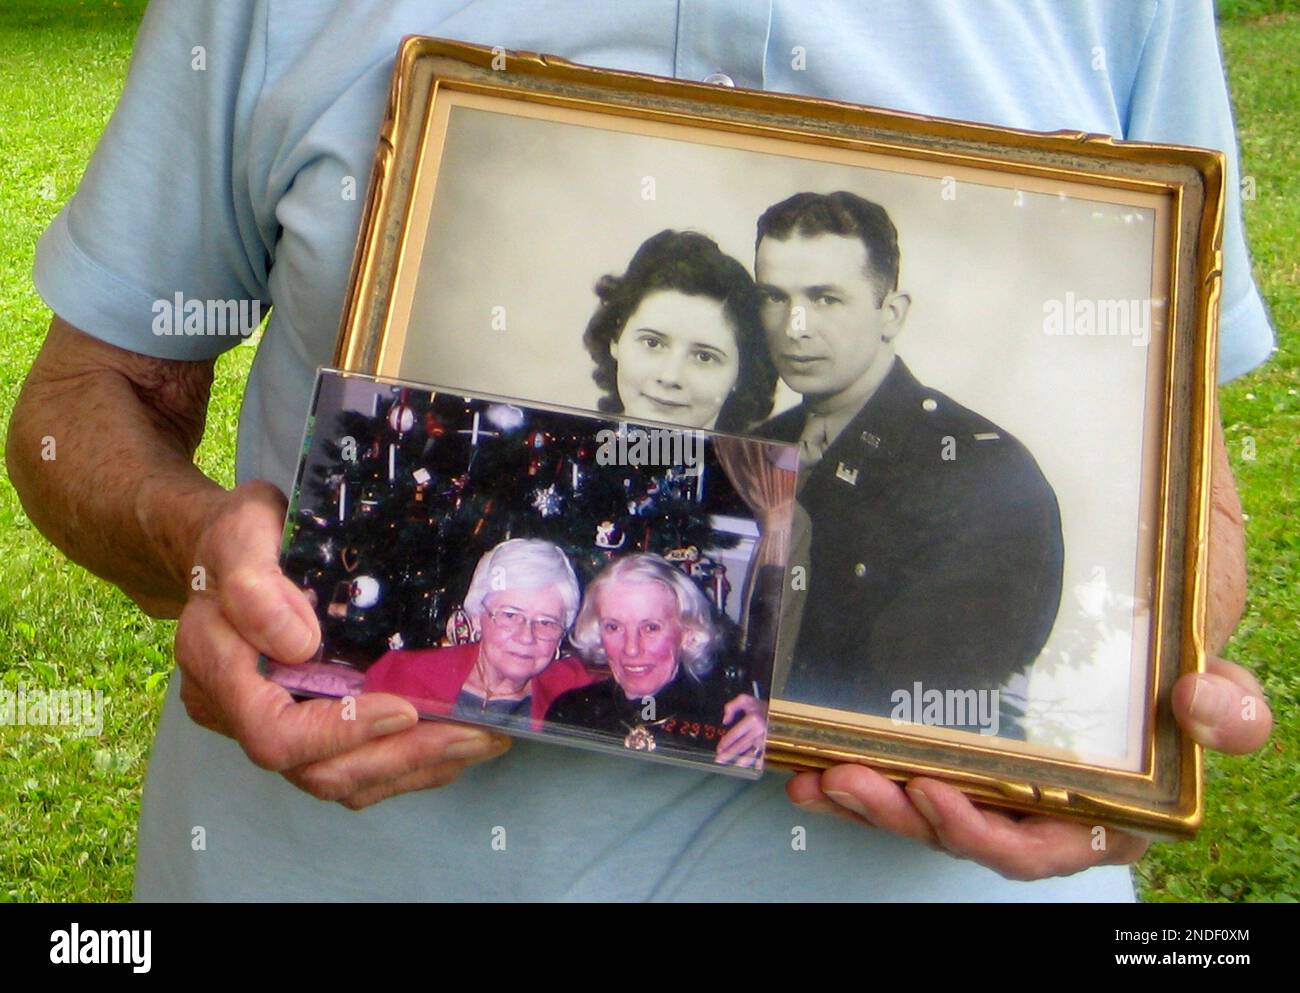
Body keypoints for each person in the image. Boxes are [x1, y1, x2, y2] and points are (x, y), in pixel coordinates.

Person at [8, 0, 1273, 900]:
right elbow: (84, 399)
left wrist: (1109, 751)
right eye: (775, 303)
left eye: (817, 305)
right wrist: (200, 554)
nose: (783, 329)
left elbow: (1187, 506)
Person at [752, 192, 1062, 737]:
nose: (794, 327)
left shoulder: (984, 471)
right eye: (775, 298)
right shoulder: (755, 447)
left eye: (825, 299)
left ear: (890, 314)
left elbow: (952, 705)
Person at [546, 554, 767, 767]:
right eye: (613, 627)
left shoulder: (733, 725)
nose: (631, 649)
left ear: (687, 634)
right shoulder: (571, 712)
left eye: (651, 627)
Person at [362, 539, 591, 731]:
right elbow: (346, 724)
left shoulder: (579, 695)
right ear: (477, 617)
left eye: (546, 622)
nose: (526, 637)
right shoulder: (402, 674)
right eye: (510, 615)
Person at [583, 229, 778, 432]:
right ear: (616, 338)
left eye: (704, 357)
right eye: (652, 343)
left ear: (741, 373)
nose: (670, 377)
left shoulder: (777, 463)